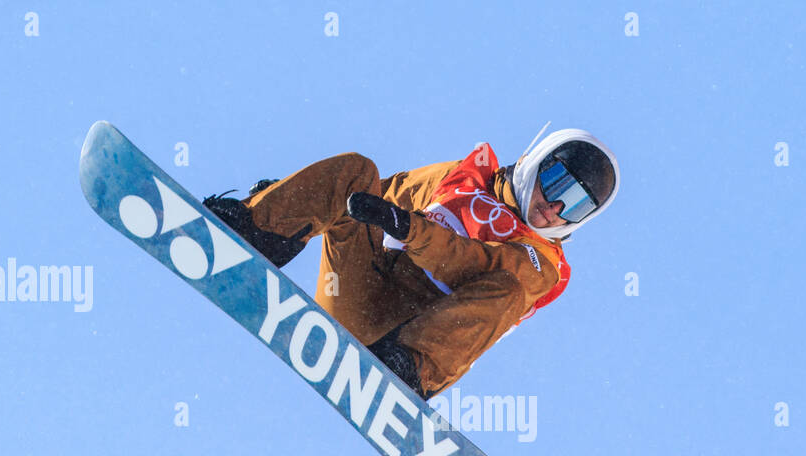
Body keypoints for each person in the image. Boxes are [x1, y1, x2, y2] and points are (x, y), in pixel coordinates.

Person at [202, 128, 619, 398]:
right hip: (358, 295)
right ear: (537, 163)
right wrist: (289, 193)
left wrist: (411, 230)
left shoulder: (543, 262)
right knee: (356, 169)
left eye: (578, 205)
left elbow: (469, 262)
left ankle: (399, 376)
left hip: (406, 339)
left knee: (507, 290)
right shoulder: (462, 178)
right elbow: (368, 198)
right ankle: (250, 232)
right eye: (557, 183)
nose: (557, 206)